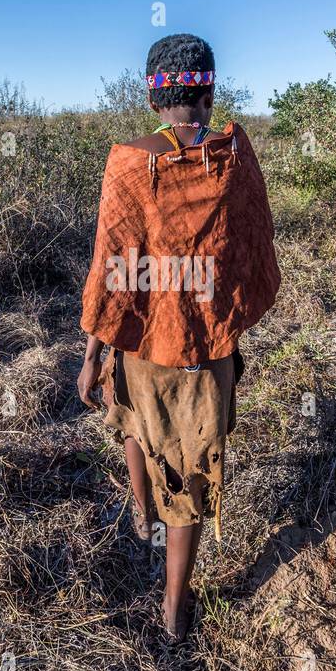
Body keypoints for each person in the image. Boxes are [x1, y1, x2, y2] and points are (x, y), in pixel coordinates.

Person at [78, 33, 280, 640]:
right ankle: (175, 604)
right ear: (210, 90)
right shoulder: (235, 159)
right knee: (192, 472)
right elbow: (253, 251)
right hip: (205, 349)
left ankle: (144, 520)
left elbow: (112, 266)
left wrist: (93, 355)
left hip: (139, 343)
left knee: (136, 423)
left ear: (152, 95)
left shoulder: (128, 162)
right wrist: (227, 319)